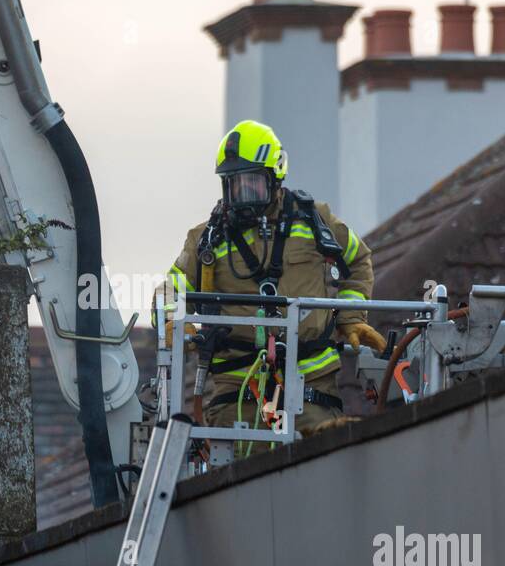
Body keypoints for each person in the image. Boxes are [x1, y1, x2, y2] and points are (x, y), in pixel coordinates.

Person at [162, 119, 385, 434]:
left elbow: (359, 260)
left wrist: (351, 317)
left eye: (251, 182)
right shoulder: (206, 239)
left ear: (275, 176)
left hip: (310, 384)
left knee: (318, 457)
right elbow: (168, 290)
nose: (242, 194)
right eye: (233, 184)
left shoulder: (315, 221)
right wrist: (171, 320)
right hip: (236, 386)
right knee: (231, 470)